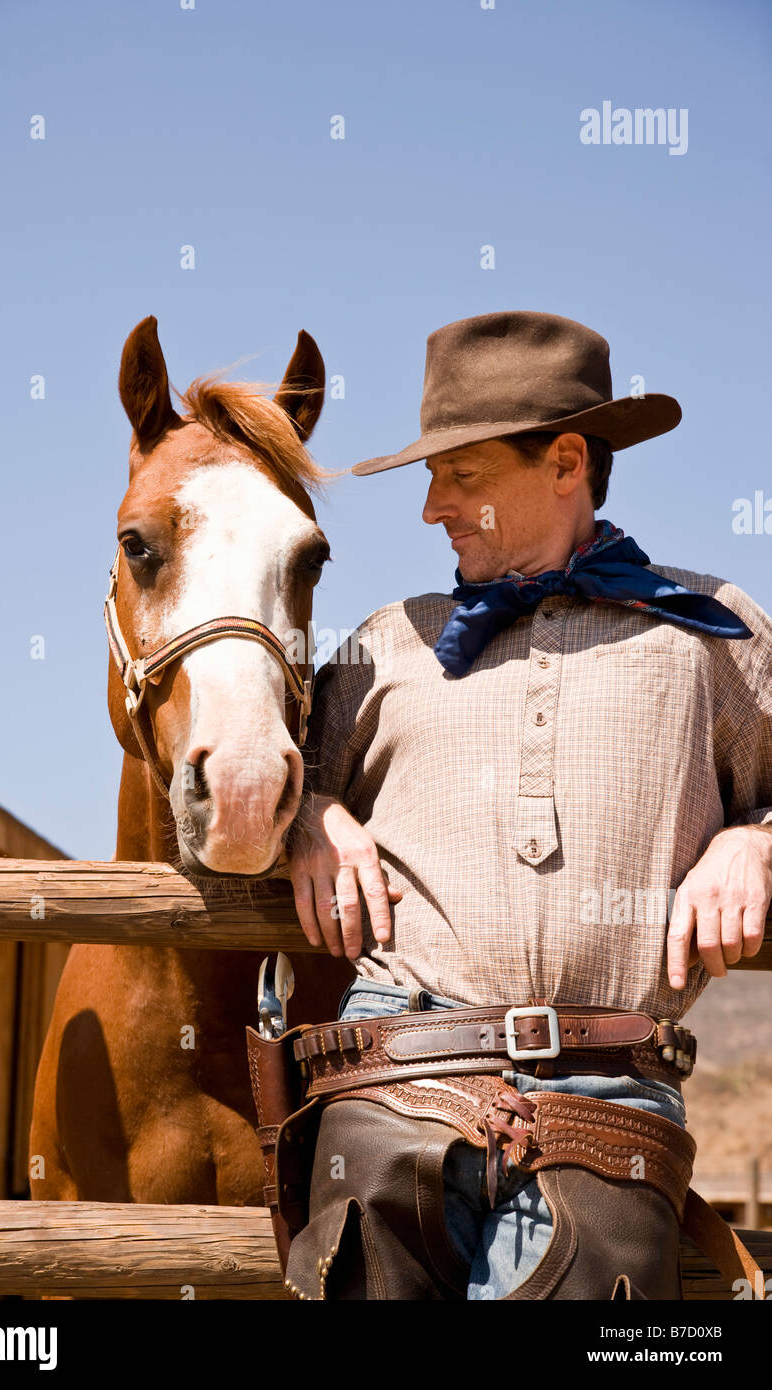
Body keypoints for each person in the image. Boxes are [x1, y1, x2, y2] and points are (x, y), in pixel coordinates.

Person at [281, 311, 772, 1301]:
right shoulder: (386, 640)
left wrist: (757, 842)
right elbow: (268, 781)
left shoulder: (711, 631)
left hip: (612, 1100)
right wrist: (310, 817)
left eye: (458, 474)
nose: (429, 508)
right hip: (393, 1075)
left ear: (562, 463)